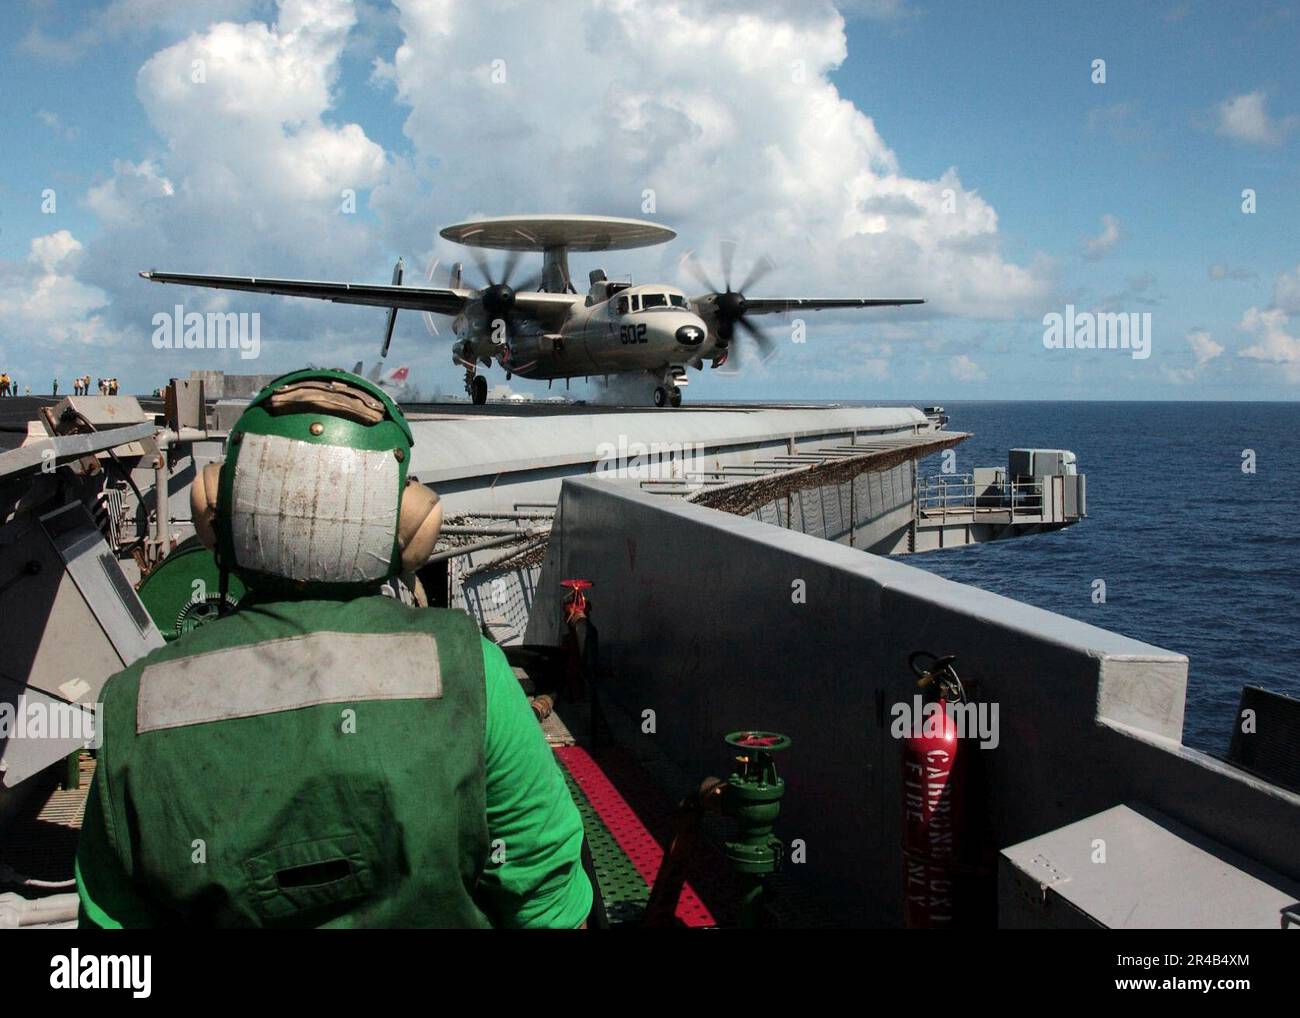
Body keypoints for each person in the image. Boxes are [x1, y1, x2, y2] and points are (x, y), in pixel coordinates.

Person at [76, 368, 592, 928]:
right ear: (410, 526)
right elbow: (548, 905)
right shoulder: (475, 672)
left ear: (214, 514)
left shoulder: (134, 705)